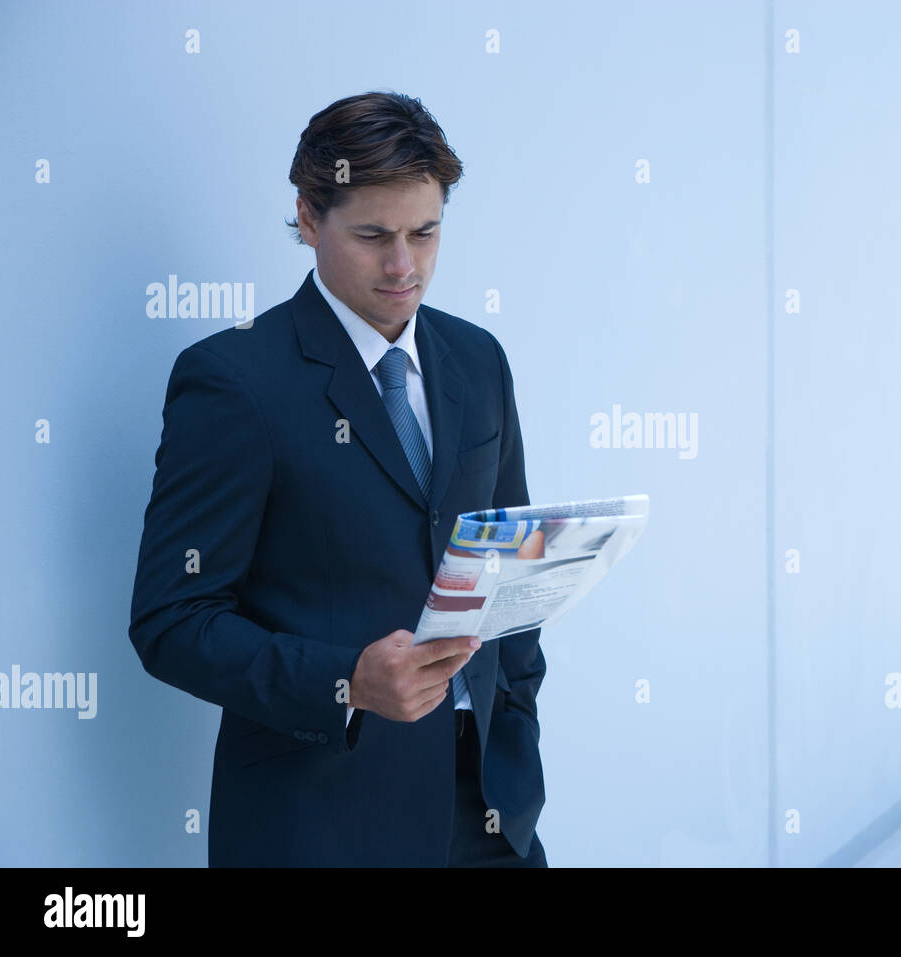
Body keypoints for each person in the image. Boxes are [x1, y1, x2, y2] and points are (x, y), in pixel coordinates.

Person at [128, 91, 547, 866]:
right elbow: (171, 619)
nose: (404, 265)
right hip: (317, 829)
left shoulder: (479, 360)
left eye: (425, 233)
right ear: (309, 218)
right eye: (373, 235)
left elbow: (510, 567)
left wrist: (516, 729)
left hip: (490, 817)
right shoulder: (233, 380)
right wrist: (345, 682)